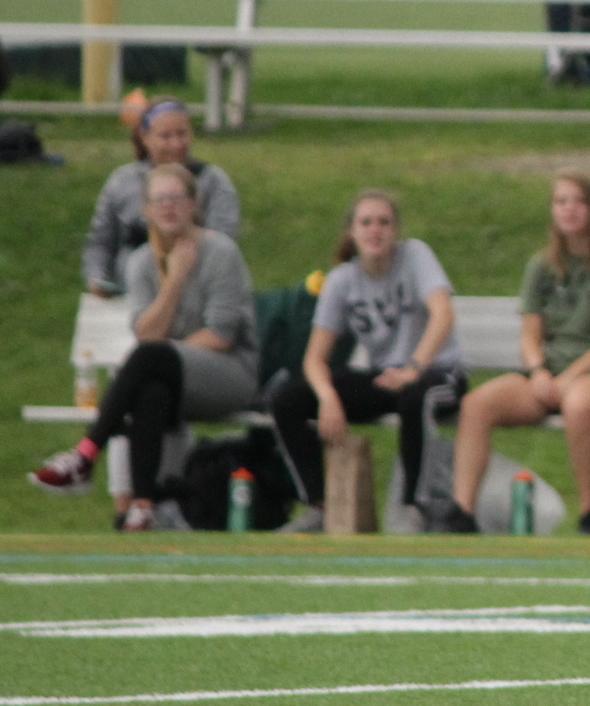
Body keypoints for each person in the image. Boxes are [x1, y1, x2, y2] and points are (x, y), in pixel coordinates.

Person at [31, 163, 258, 531]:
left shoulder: (220, 252)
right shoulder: (139, 263)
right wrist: (175, 278)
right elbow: (147, 333)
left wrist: (167, 350)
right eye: (159, 200)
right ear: (147, 210)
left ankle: (86, 454)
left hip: (229, 374)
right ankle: (143, 505)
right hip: (173, 374)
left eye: (176, 198)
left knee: (150, 361)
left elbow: (220, 336)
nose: (168, 207)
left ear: (193, 204)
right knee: (150, 390)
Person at [437, 172, 590, 537]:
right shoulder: (542, 265)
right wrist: (538, 371)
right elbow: (531, 333)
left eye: (579, 201)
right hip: (549, 374)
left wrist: (570, 377)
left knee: (579, 406)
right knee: (476, 406)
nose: (570, 210)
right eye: (561, 201)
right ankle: (462, 513)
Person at [269, 191, 467, 533]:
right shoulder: (343, 279)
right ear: (351, 231)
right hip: (386, 376)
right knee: (288, 399)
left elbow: (443, 314)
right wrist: (328, 396)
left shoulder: (415, 255)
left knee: (415, 398)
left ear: (396, 230)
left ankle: (413, 508)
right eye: (366, 223)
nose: (375, 231)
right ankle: (320, 506)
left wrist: (413, 368)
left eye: (383, 223)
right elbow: (315, 358)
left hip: (437, 372)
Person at [82, 97, 241, 296]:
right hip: (130, 290)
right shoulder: (122, 182)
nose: (176, 144)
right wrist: (97, 277)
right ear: (145, 138)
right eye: (165, 137)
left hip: (195, 290)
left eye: (182, 134)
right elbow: (101, 241)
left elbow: (223, 242)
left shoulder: (213, 182)